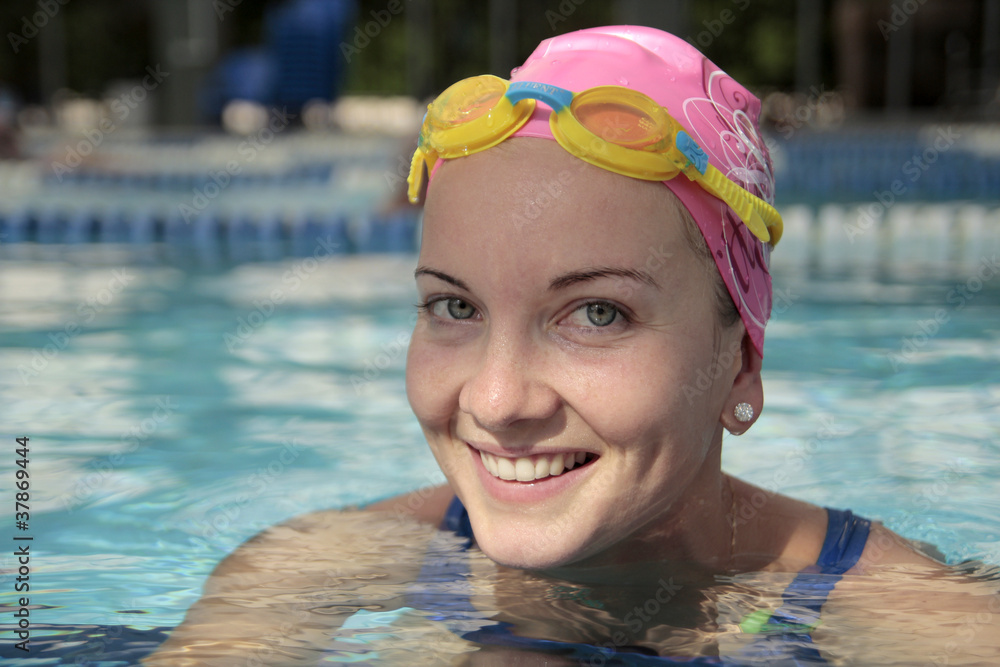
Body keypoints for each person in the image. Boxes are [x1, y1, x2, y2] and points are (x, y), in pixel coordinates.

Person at [146, 26, 999, 665]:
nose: (496, 399)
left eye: (597, 314)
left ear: (738, 363)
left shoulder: (915, 616)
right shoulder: (310, 569)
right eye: (454, 305)